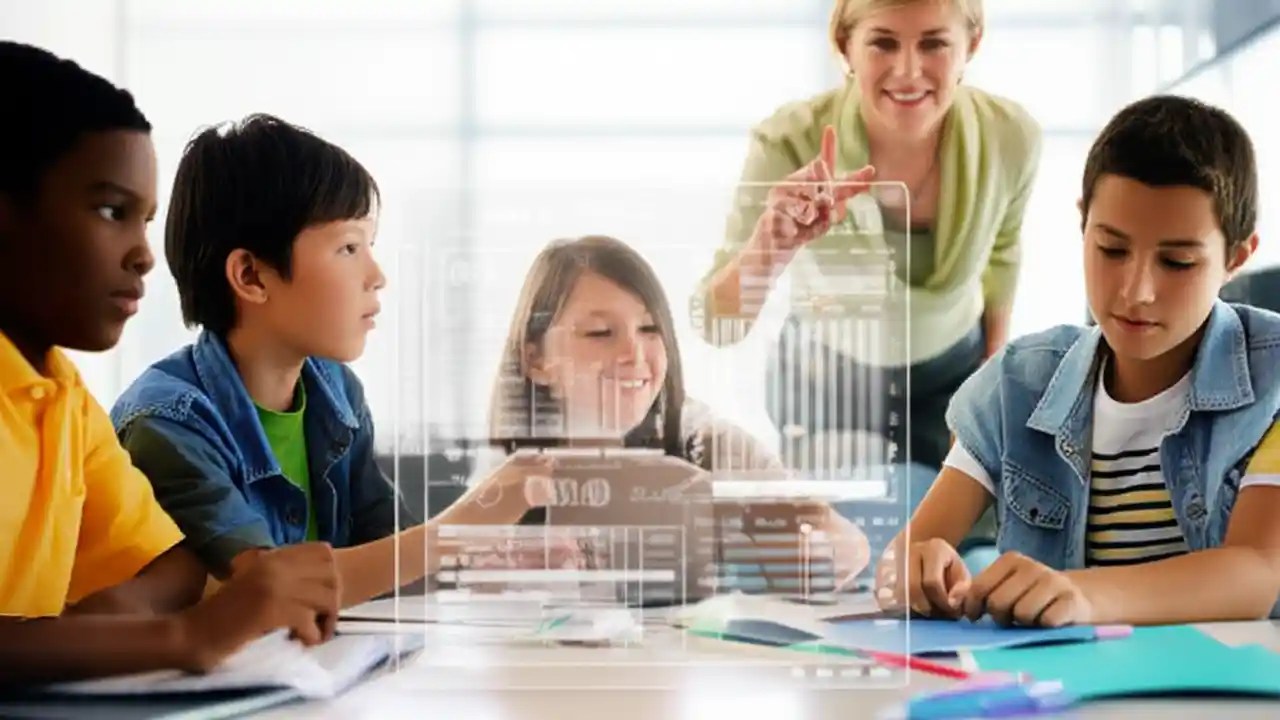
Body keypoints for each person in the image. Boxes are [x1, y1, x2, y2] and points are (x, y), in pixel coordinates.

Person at [0, 41, 339, 684]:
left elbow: (172, 564)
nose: (142, 255)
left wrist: (90, 634)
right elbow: (182, 611)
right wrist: (179, 637)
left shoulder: (62, 396)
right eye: (110, 211)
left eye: (146, 220)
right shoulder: (164, 408)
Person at [876, 95, 1280, 627]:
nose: (1136, 292)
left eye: (1177, 262)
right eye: (1111, 249)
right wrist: (913, 569)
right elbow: (904, 559)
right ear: (1082, 224)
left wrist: (1082, 595)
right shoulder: (1020, 382)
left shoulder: (1273, 377)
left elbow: (1257, 572)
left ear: (1236, 258)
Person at [110, 115, 542, 609]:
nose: (376, 275)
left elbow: (387, 553)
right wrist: (468, 521)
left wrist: (495, 557)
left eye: (370, 246)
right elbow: (267, 590)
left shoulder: (336, 391)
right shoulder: (166, 424)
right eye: (349, 247)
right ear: (251, 275)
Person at [692, 0, 1041, 474]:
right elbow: (713, 325)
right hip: (826, 381)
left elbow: (1003, 253)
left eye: (934, 43)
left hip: (953, 375)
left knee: (953, 540)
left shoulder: (1011, 138)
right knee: (845, 534)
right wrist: (768, 249)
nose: (908, 70)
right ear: (845, 47)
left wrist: (989, 378)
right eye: (883, 42)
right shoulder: (788, 142)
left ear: (971, 45)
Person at [481, 235, 873, 587]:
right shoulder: (504, 474)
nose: (634, 354)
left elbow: (851, 547)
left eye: (650, 330)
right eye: (600, 333)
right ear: (536, 360)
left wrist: (805, 546)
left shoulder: (709, 446)